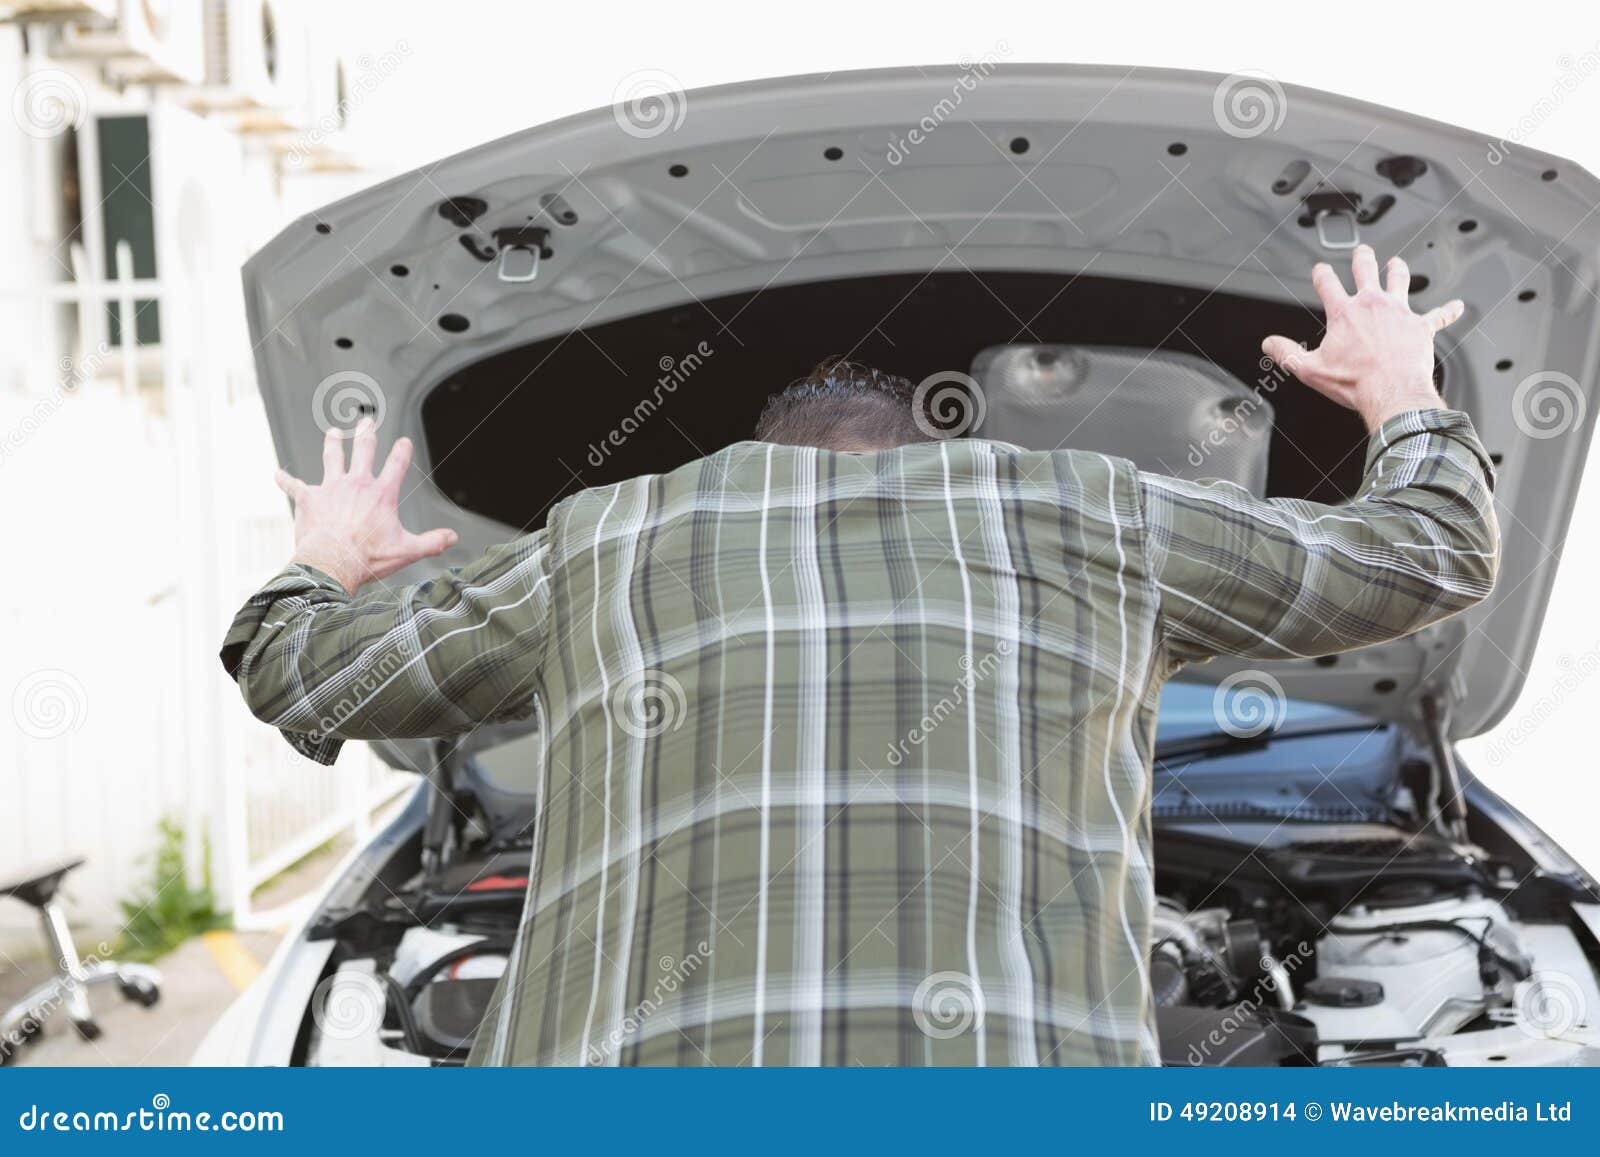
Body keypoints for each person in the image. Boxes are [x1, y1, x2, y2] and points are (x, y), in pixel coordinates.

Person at [220, 246, 1496, 1065]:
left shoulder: (603, 540)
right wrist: (1397, 385)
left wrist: (327, 550)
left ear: (753, 458)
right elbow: (1430, 552)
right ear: (932, 450)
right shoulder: (1088, 511)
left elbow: (297, 670)